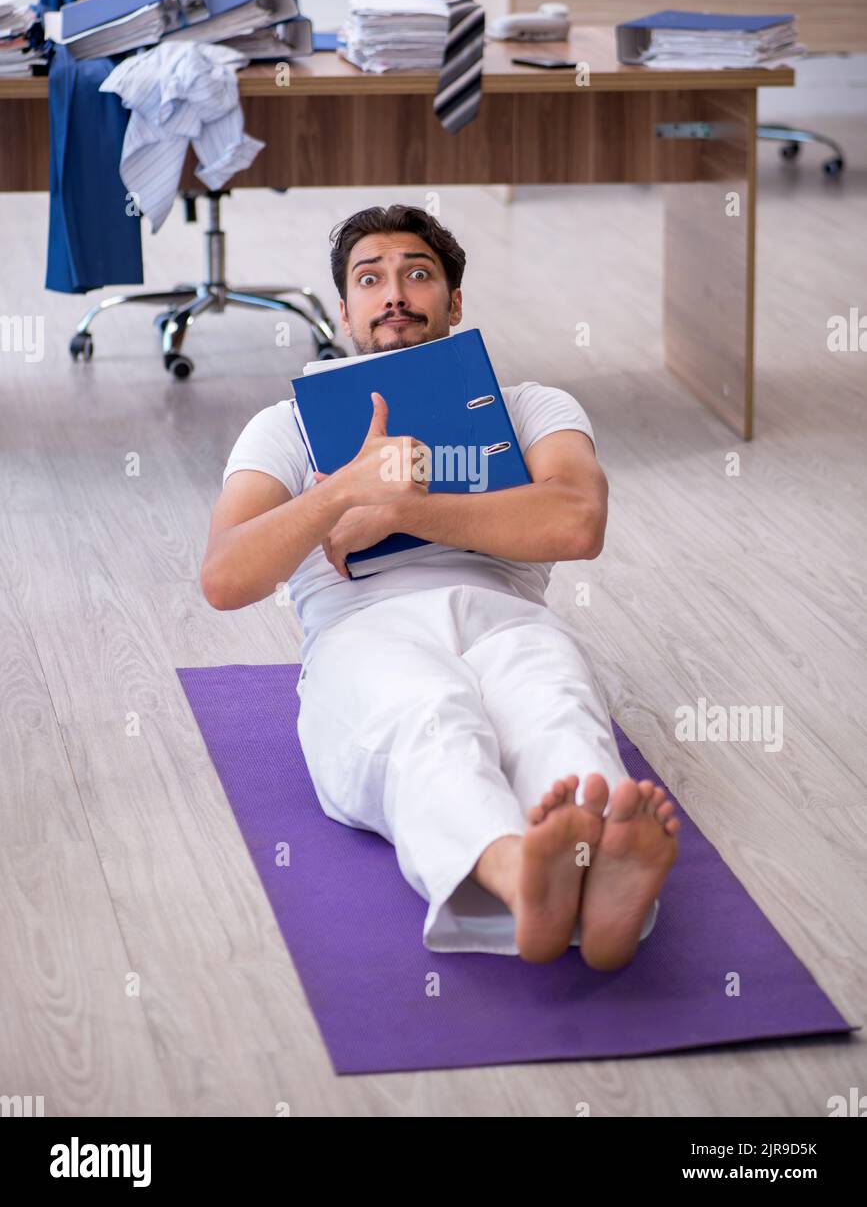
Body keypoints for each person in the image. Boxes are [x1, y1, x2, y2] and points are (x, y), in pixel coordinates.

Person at [201, 204, 680, 969]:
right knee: (429, 718)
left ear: (453, 304)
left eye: (417, 275)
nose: (394, 292)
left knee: (551, 708)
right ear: (344, 311)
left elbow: (575, 523)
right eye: (370, 279)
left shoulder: (530, 406)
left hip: (505, 618)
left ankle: (602, 880)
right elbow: (225, 577)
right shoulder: (285, 426)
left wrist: (404, 508)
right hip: (366, 628)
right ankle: (523, 881)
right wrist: (338, 492)